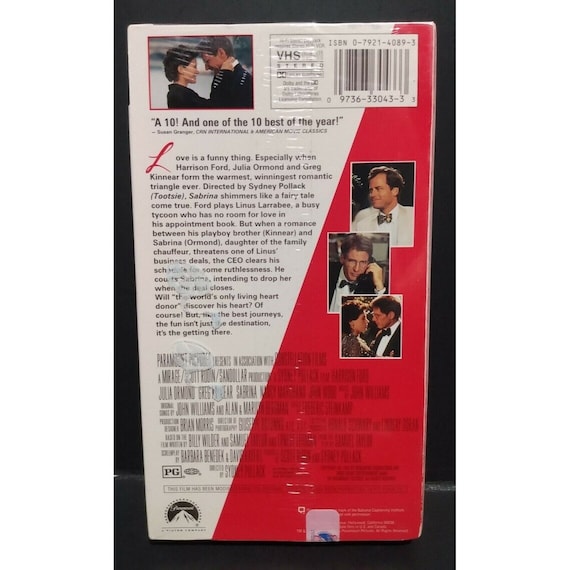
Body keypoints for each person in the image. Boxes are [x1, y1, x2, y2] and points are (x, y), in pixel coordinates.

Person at [352, 166, 414, 246]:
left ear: (395, 191)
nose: (372, 195)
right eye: (371, 190)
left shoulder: (414, 216)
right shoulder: (362, 225)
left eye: (378, 189)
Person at [329, 234, 385, 313]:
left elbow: (381, 313)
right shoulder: (326, 271)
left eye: (363, 262)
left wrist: (379, 286)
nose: (356, 269)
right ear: (342, 258)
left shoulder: (370, 285)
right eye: (352, 261)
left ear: (369, 262)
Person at [197, 37, 253, 108]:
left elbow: (216, 107)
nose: (206, 68)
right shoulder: (238, 77)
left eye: (207, 61)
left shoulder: (236, 80)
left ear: (221, 53)